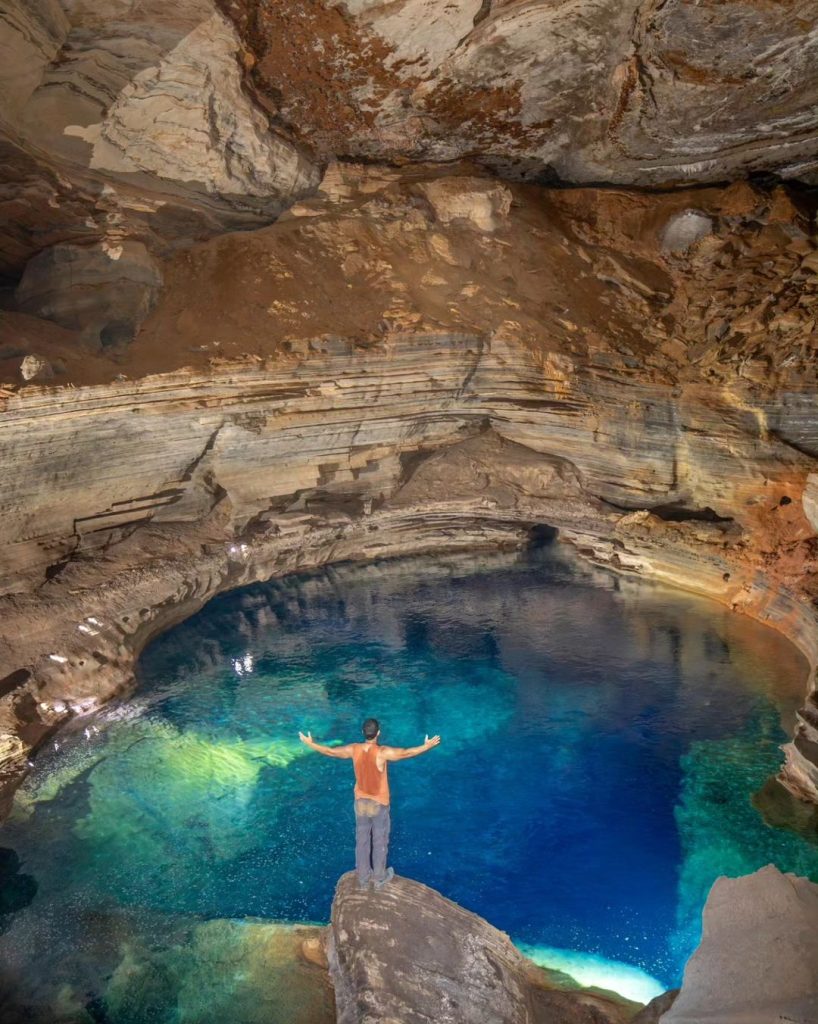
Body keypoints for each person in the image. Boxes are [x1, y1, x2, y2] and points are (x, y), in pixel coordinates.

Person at [299, 718, 440, 890]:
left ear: (363, 732)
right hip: (378, 803)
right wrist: (426, 746)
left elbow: (331, 752)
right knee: (380, 840)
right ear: (378, 732)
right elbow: (405, 753)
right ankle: (379, 877)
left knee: (362, 840)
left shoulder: (354, 749)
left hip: (360, 803)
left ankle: (363, 878)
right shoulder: (382, 752)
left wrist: (311, 744)